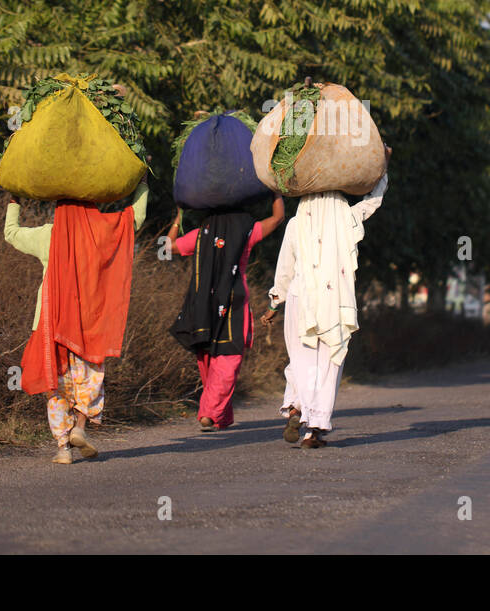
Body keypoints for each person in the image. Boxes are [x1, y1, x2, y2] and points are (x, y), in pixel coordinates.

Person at [4, 181, 148, 464]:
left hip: (51, 323)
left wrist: (14, 198)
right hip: (90, 325)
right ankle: (80, 428)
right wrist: (142, 183)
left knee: (55, 386)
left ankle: (63, 448)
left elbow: (11, 233)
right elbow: (136, 217)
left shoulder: (49, 234)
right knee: (89, 379)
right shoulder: (103, 230)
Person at [261, 148, 390, 448]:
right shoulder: (346, 217)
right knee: (329, 362)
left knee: (302, 360)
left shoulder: (296, 223)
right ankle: (313, 429)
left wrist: (273, 303)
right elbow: (373, 201)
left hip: (299, 299)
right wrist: (383, 169)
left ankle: (295, 404)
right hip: (334, 301)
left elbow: (284, 270)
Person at [167, 193, 286, 431]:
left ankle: (220, 416)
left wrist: (178, 217)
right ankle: (210, 413)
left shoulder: (201, 235)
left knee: (211, 362)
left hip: (203, 307)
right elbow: (278, 218)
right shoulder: (245, 232)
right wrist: (275, 191)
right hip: (234, 304)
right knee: (228, 359)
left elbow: (164, 249)